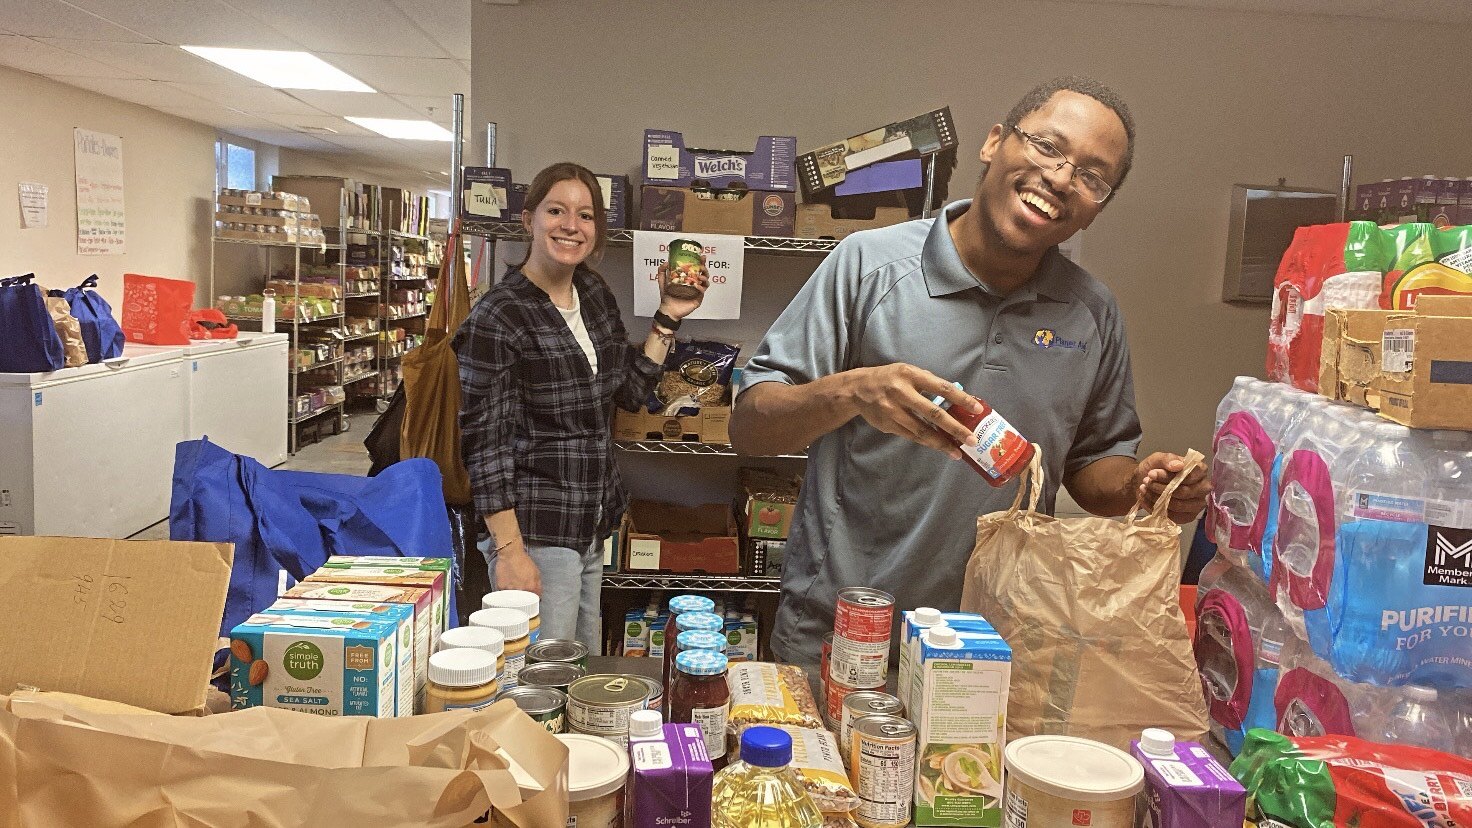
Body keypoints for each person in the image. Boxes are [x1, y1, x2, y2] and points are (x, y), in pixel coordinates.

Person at [729, 77, 1210, 666]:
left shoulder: (1091, 312)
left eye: (1091, 176)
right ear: (993, 144)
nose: (1060, 178)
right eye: (1049, 147)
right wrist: (851, 391)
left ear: (1096, 208)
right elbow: (750, 425)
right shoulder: (869, 267)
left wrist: (1141, 486)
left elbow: (1093, 466)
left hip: (996, 644)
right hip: (845, 629)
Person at [454, 162, 707, 648]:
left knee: (580, 669)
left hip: (591, 522)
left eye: (586, 215)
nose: (571, 225)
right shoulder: (499, 315)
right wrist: (509, 551)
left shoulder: (592, 294)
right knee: (539, 680)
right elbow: (485, 445)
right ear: (528, 220)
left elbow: (630, 392)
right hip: (535, 530)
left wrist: (668, 319)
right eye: (556, 210)